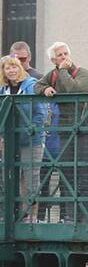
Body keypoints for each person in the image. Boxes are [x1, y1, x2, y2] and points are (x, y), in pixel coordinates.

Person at [34, 42, 88, 222]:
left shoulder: (82, 72)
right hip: (65, 130)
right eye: (59, 55)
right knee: (67, 174)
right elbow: (36, 85)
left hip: (84, 130)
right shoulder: (52, 74)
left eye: (66, 53)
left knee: (83, 174)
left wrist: (62, 71)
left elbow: (74, 89)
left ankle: (84, 218)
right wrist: (45, 88)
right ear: (53, 59)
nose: (64, 57)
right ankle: (70, 216)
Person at [0, 54, 48, 221]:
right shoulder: (2, 90)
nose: (11, 70)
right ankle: (13, 216)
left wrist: (29, 131)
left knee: (30, 178)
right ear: (3, 72)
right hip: (9, 141)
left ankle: (30, 217)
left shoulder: (30, 85)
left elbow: (40, 113)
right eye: (8, 68)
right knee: (9, 177)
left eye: (14, 67)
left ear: (20, 68)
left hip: (31, 140)